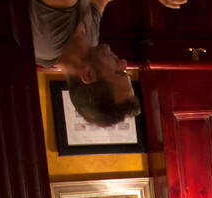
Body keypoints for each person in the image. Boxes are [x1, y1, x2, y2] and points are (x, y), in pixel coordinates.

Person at [31, 0, 185, 127]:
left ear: (88, 75)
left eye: (118, 73)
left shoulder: (49, 39)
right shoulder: (90, 43)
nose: (123, 63)